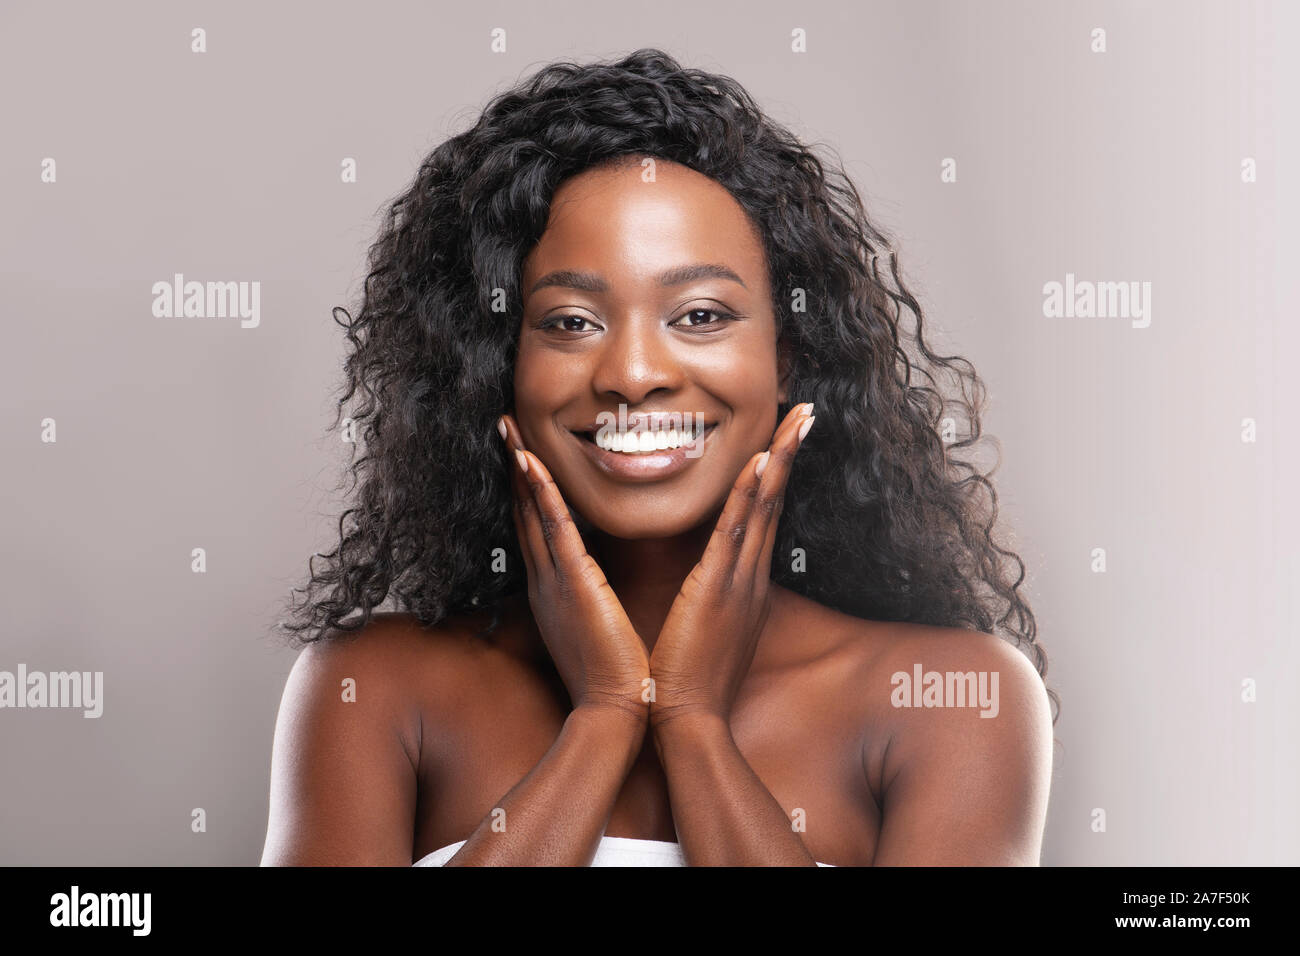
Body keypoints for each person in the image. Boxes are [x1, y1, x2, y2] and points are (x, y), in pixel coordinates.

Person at [260, 48, 1057, 867]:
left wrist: (693, 724)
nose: (634, 376)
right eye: (571, 322)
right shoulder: (373, 688)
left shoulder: (954, 700)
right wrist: (604, 718)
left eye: (702, 315)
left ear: (788, 354)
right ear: (497, 362)